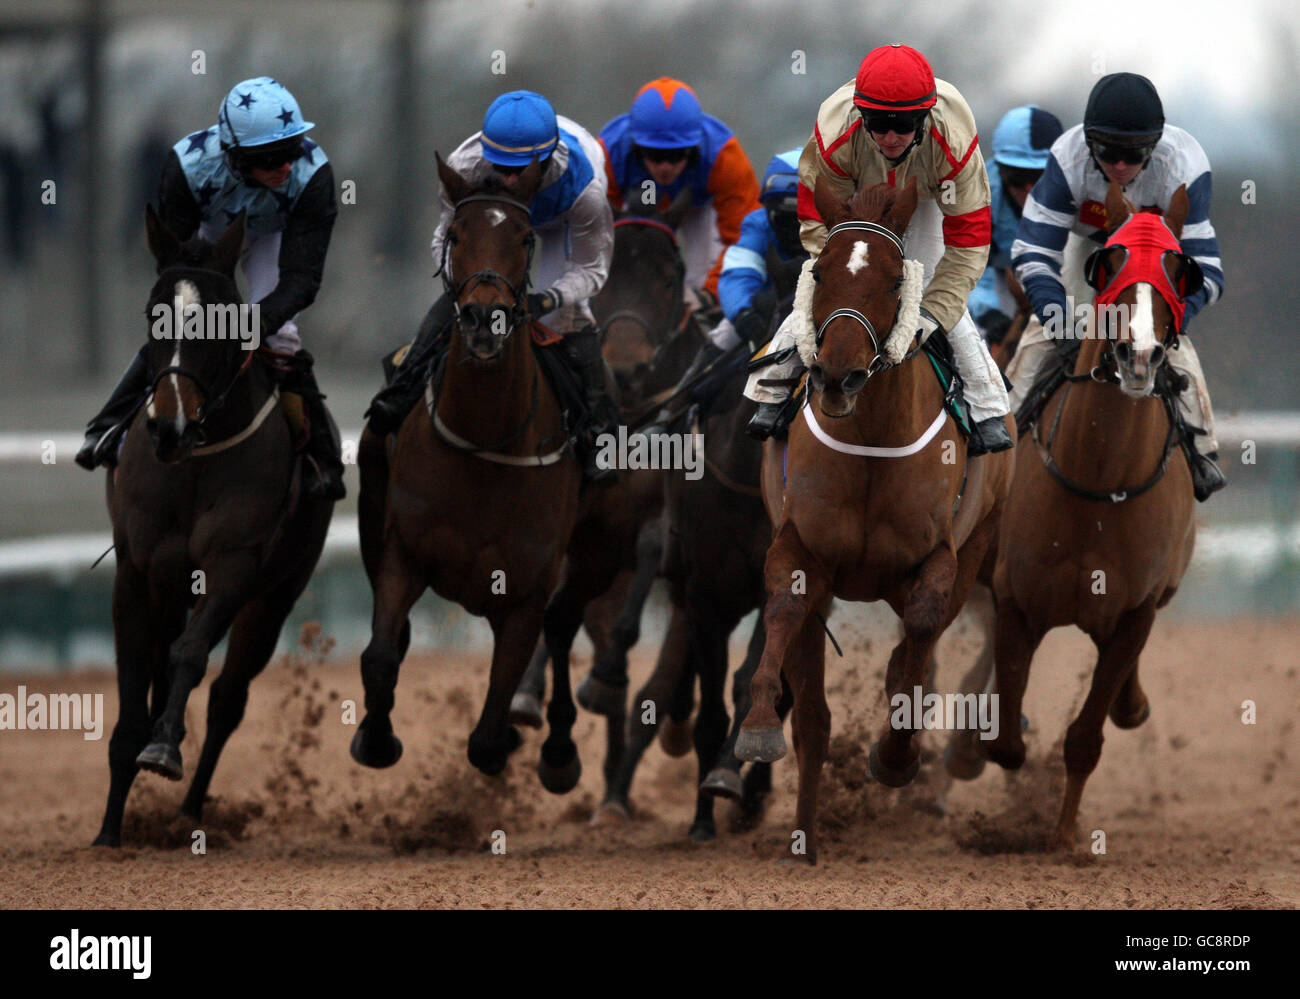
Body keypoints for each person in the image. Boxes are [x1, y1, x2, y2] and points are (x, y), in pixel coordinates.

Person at [75, 76, 344, 500]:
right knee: (181, 325)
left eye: (293, 149)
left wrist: (253, 323)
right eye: (274, 157)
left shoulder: (313, 175)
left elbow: (302, 279)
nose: (288, 165)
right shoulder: (186, 165)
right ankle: (107, 426)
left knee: (281, 336)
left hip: (277, 234)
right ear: (235, 158)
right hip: (206, 238)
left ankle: (322, 457)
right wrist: (206, 316)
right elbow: (172, 269)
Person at [743, 44, 1013, 453]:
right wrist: (843, 270)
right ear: (859, 115)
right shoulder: (836, 131)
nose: (889, 137)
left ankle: (987, 402)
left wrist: (926, 316)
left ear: (925, 117)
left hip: (925, 201)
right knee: (830, 277)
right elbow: (816, 227)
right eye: (878, 124)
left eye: (903, 125)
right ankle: (774, 387)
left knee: (932, 277)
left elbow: (968, 248)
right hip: (852, 201)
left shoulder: (953, 138)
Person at [365, 90, 617, 483]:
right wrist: (467, 290)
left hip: (559, 222)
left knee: (568, 318)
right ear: (488, 158)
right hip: (495, 220)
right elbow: (444, 241)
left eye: (523, 169)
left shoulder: (586, 191)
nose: (513, 179)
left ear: (547, 159)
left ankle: (600, 434)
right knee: (463, 302)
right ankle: (401, 391)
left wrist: (545, 298)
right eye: (503, 168)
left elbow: (592, 268)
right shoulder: (464, 168)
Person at [1008, 72, 1225, 499]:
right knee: (1042, 336)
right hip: (1085, 251)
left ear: (1156, 145)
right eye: (1107, 151)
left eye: (1135, 153)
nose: (1121, 165)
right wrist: (1059, 321)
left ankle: (1202, 450)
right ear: (1088, 141)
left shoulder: (1186, 166)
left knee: (1174, 349)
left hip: (1154, 269)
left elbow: (1209, 271)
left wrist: (1172, 320)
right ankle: (1003, 433)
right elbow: (1033, 254)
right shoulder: (1066, 158)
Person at [598, 77, 760, 317]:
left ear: (694, 148)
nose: (665, 167)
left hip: (697, 206)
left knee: (700, 282)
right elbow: (593, 233)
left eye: (676, 155)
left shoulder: (725, 157)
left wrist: (709, 293)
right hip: (640, 201)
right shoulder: (607, 152)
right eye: (654, 154)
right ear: (635, 147)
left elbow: (743, 235)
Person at [968, 105, 1063, 345]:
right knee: (978, 335)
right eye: (1018, 178)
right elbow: (972, 269)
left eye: (1039, 177)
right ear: (1000, 170)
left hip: (1060, 275)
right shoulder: (978, 195)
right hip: (998, 279)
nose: (1029, 189)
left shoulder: (1074, 189)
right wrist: (987, 313)